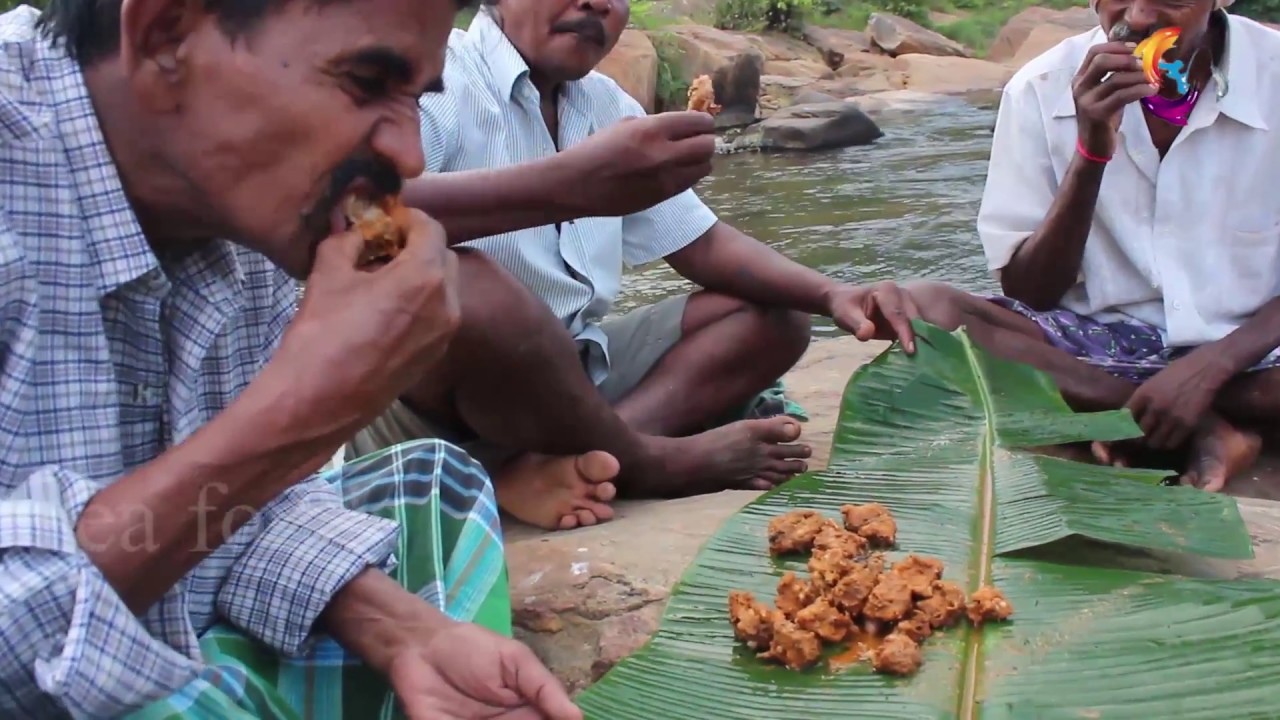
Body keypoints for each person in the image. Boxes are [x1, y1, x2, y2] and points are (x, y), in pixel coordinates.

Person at [0, 0, 711, 715]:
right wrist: (300, 412)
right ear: (163, 36)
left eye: (415, 99)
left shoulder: (248, 197)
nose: (409, 158)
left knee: (437, 493)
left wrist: (404, 632)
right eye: (365, 82)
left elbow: (236, 511)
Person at [348, 0, 925, 531]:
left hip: (565, 379)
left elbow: (701, 243)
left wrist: (831, 293)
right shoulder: (435, 76)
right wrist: (566, 187)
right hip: (428, 397)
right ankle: (648, 462)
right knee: (464, 284)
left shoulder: (605, 104)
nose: (596, 3)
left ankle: (567, 464)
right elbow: (358, 221)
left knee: (776, 314)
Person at [907, 0, 1280, 492]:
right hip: (1102, 349)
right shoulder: (1040, 88)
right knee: (926, 311)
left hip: (1254, 347)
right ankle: (1205, 424)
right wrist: (1091, 150)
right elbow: (1030, 293)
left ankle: (1146, 415)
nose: (1139, 17)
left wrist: (1212, 366)